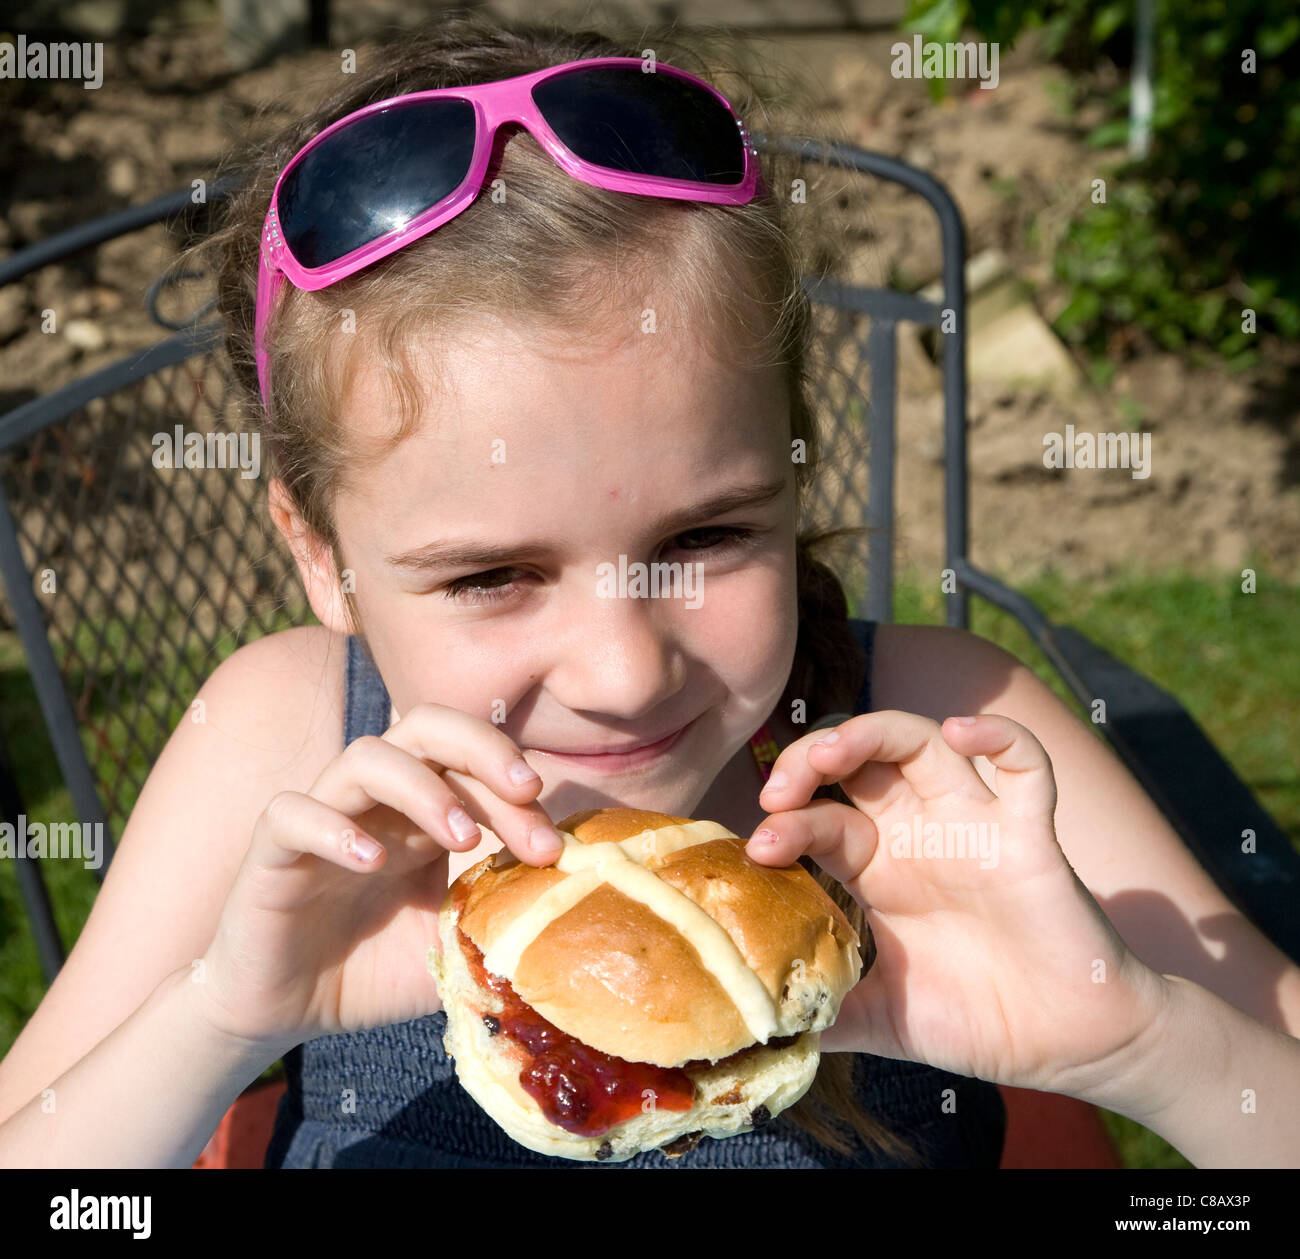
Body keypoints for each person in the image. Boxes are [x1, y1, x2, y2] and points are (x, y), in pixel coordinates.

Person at [1, 12, 1298, 1171]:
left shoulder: (946, 750)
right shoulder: (284, 740)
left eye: (707, 538)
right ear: (319, 557)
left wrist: (1146, 1044)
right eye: (494, 575)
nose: (625, 672)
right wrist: (224, 1017)